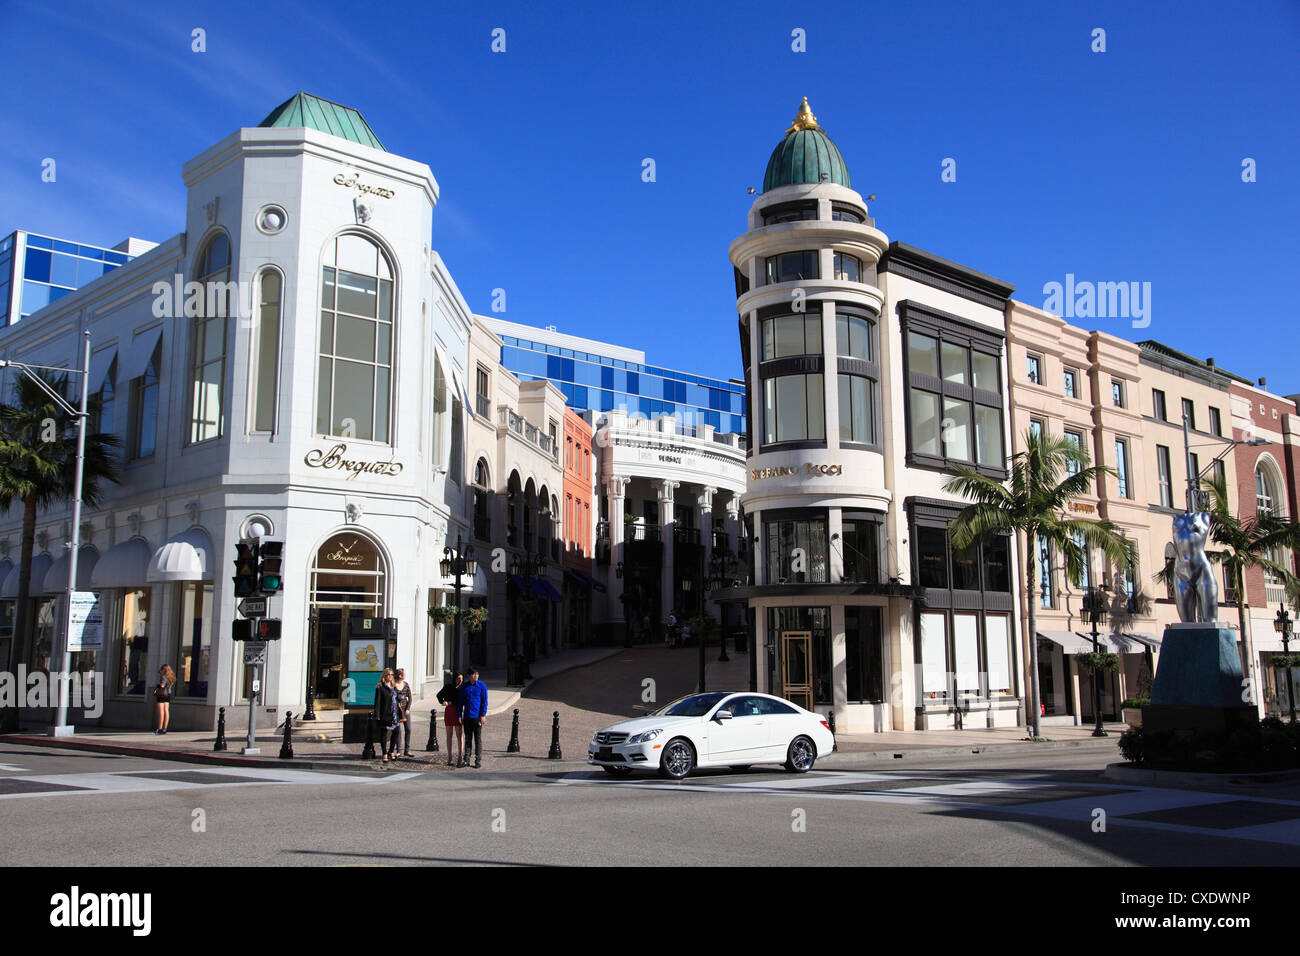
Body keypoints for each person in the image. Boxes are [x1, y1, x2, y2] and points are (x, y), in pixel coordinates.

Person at [457, 667, 488, 768]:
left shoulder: (481, 686)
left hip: (477, 716)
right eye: (474, 674)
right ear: (469, 676)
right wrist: (459, 715)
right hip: (467, 716)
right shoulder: (464, 687)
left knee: (477, 739)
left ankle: (478, 760)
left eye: (477, 674)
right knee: (468, 738)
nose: (476, 676)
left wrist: (483, 715)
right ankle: (466, 759)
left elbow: (484, 702)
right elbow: (460, 702)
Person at [373, 668, 402, 763]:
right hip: (385, 713)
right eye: (388, 674)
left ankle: (391, 751)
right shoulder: (380, 687)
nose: (390, 676)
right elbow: (377, 702)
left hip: (394, 713)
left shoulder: (394, 686)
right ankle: (384, 753)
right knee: (384, 734)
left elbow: (397, 696)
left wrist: (400, 697)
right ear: (384, 676)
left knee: (396, 731)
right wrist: (377, 715)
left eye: (392, 674)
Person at [436, 672, 464, 767]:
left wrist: (452, 702)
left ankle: (460, 756)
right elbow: (439, 695)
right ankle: (449, 756)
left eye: (461, 679)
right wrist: (443, 701)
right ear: (454, 679)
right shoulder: (448, 687)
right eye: (458, 678)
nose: (460, 680)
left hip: (458, 712)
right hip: (449, 711)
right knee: (449, 735)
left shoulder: (462, 688)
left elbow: (462, 701)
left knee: (459, 734)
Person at [394, 668, 413, 758]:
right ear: (400, 675)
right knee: (398, 730)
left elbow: (410, 698)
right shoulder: (394, 685)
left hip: (405, 709)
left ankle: (407, 749)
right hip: (397, 709)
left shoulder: (406, 685)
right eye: (404, 674)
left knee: (408, 729)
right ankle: (398, 750)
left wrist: (408, 709)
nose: (405, 675)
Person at [154, 665, 175, 734]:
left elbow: (162, 685)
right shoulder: (171, 677)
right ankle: (165, 729)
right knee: (166, 711)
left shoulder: (164, 676)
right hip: (168, 694)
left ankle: (159, 729)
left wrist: (158, 685)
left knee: (161, 712)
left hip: (162, 694)